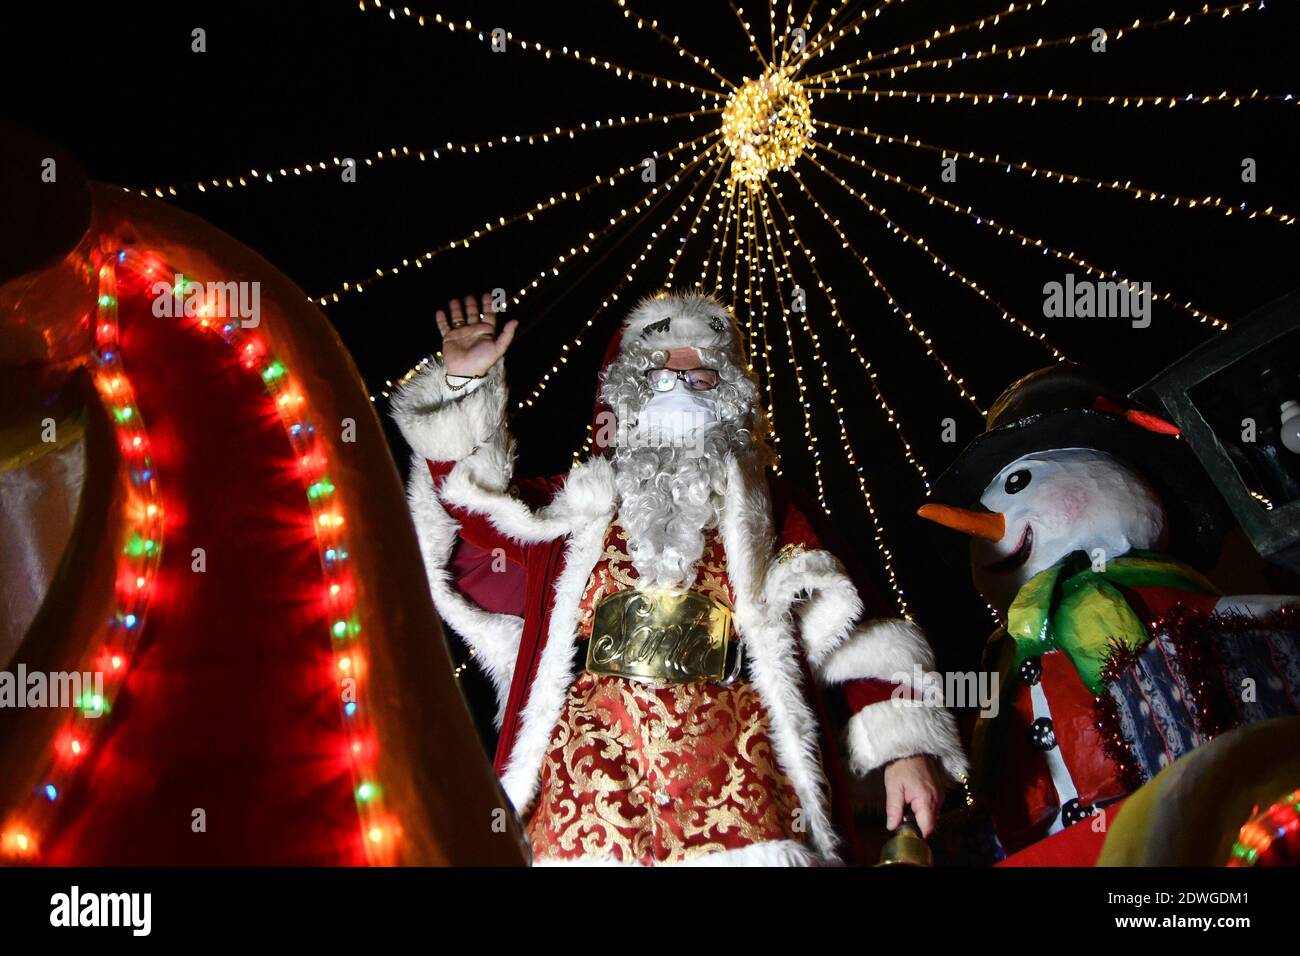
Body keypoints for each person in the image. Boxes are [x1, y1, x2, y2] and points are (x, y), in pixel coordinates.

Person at [393, 290, 966, 865]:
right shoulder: (571, 511)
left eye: (704, 371)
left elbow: (863, 635)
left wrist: (906, 748)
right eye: (662, 368)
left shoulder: (775, 511)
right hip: (586, 815)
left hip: (749, 814)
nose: (682, 379)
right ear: (625, 393)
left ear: (734, 395)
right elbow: (471, 524)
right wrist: (463, 390)